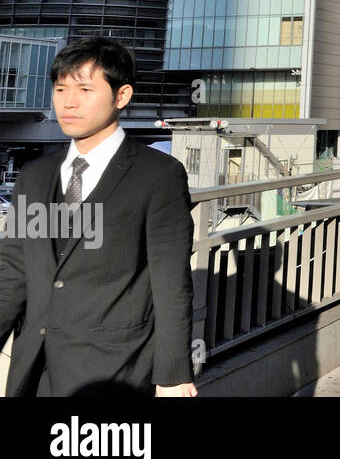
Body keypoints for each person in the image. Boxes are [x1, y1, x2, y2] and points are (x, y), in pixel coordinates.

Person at [0, 38, 196, 397]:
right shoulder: (36, 175)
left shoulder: (158, 175)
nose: (68, 102)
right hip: (35, 367)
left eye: (85, 89)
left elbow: (170, 282)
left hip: (116, 366)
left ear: (121, 96)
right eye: (60, 89)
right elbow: (13, 271)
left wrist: (173, 376)